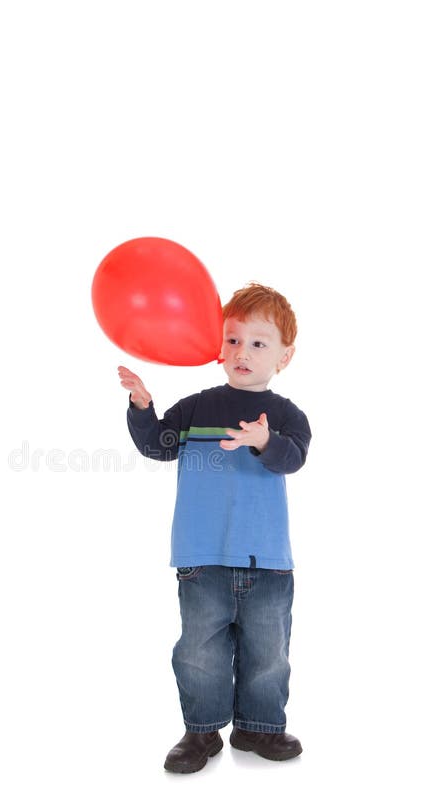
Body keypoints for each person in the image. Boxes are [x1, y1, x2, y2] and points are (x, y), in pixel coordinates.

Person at [118, 283, 312, 773]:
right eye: (232, 339)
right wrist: (143, 409)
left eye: (258, 343)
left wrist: (266, 440)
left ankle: (259, 727)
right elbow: (160, 445)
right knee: (198, 652)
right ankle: (201, 732)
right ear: (216, 345)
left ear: (284, 357)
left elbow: (293, 459)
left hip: (267, 559)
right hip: (201, 557)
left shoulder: (287, 416)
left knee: (268, 652)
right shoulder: (196, 408)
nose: (241, 351)